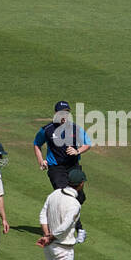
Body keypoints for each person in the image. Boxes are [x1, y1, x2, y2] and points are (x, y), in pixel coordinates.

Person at [33, 101, 92, 241]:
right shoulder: (47, 130)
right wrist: (41, 160)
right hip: (56, 168)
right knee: (66, 196)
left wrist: (77, 150)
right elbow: (36, 144)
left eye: (66, 112)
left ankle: (66, 222)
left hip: (73, 166)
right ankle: (80, 229)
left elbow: (87, 144)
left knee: (80, 198)